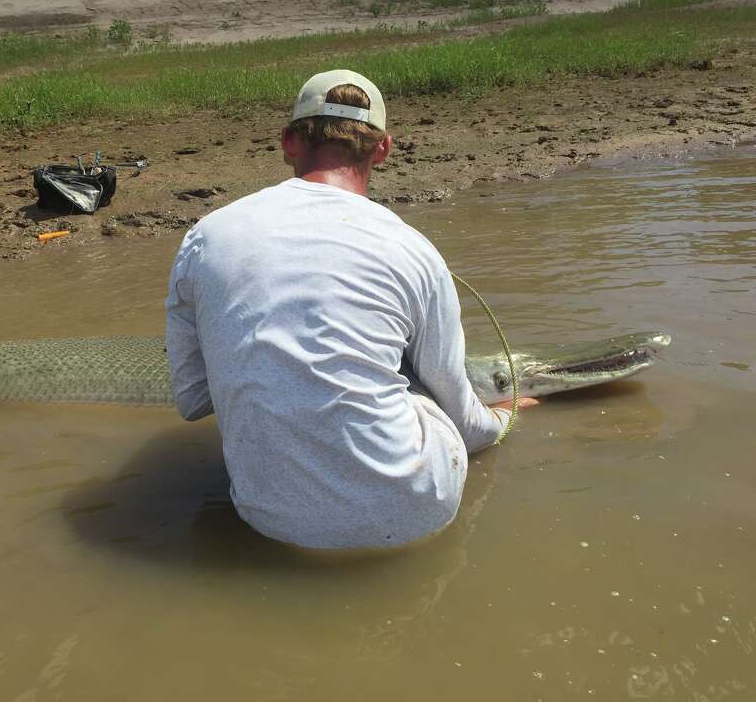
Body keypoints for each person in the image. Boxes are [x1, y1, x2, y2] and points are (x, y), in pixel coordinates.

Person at [165, 70, 536, 549]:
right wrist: (505, 418)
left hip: (268, 521)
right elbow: (462, 418)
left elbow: (193, 399)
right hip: (419, 512)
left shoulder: (207, 236)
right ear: (382, 149)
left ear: (288, 142)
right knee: (414, 368)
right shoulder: (415, 249)